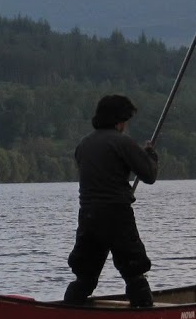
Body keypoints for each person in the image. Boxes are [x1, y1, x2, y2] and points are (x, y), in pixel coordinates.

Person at [63, 93, 160, 307]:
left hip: (88, 217)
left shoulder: (83, 145)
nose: (126, 125)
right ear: (120, 120)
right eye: (126, 120)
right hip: (117, 216)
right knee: (135, 273)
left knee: (85, 276)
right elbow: (149, 175)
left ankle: (64, 317)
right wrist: (150, 155)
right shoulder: (122, 142)